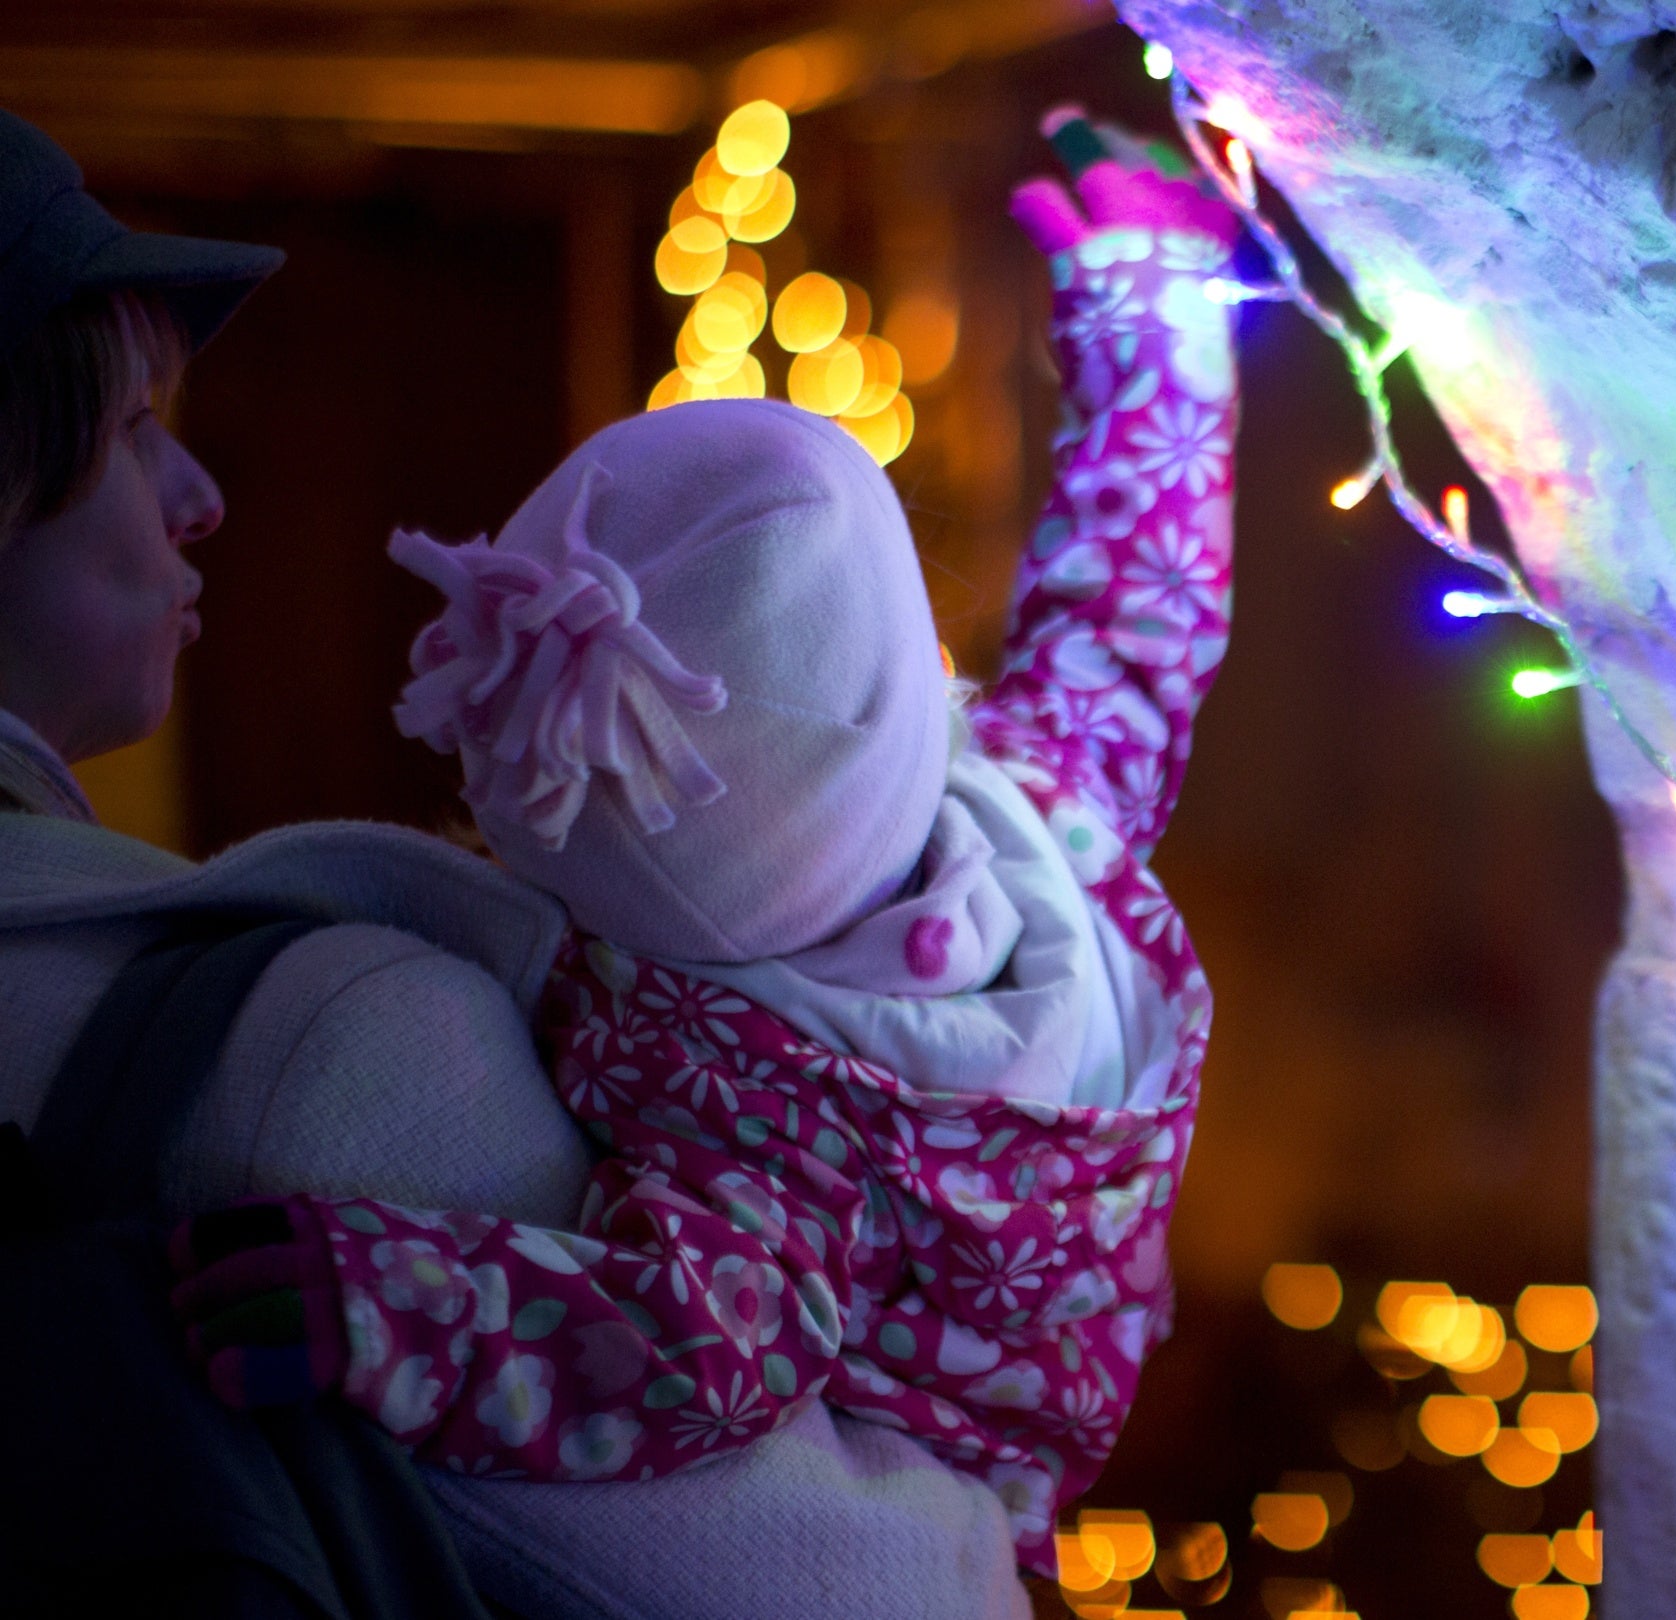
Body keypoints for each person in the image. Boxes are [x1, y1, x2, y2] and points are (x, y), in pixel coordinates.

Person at [0, 101, 1206, 1620]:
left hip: (957, 1461)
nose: (199, 498)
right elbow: (1137, 608)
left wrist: (386, 1303)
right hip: (1025, 1461)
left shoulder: (735, 1111)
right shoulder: (1046, 829)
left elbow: (684, 1340)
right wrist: (1158, 308)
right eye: (131, 428)